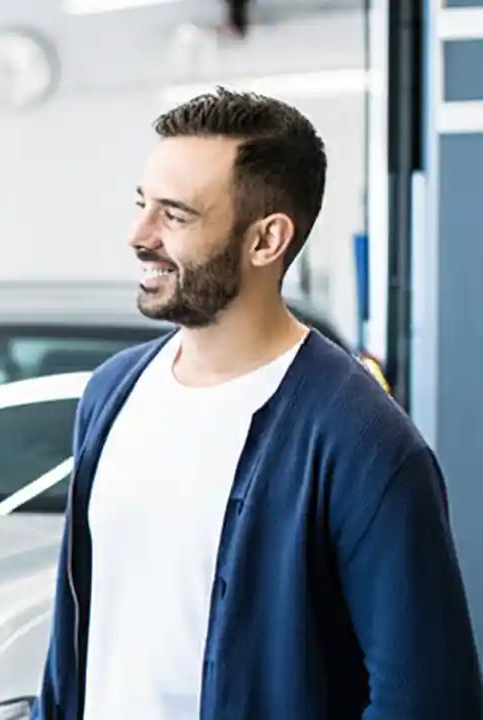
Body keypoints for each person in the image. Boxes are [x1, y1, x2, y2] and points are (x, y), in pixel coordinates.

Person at [32, 88, 483, 720]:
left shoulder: (362, 441)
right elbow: (74, 651)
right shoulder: (112, 392)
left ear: (267, 239)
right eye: (142, 205)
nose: (139, 236)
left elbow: (429, 700)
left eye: (176, 215)